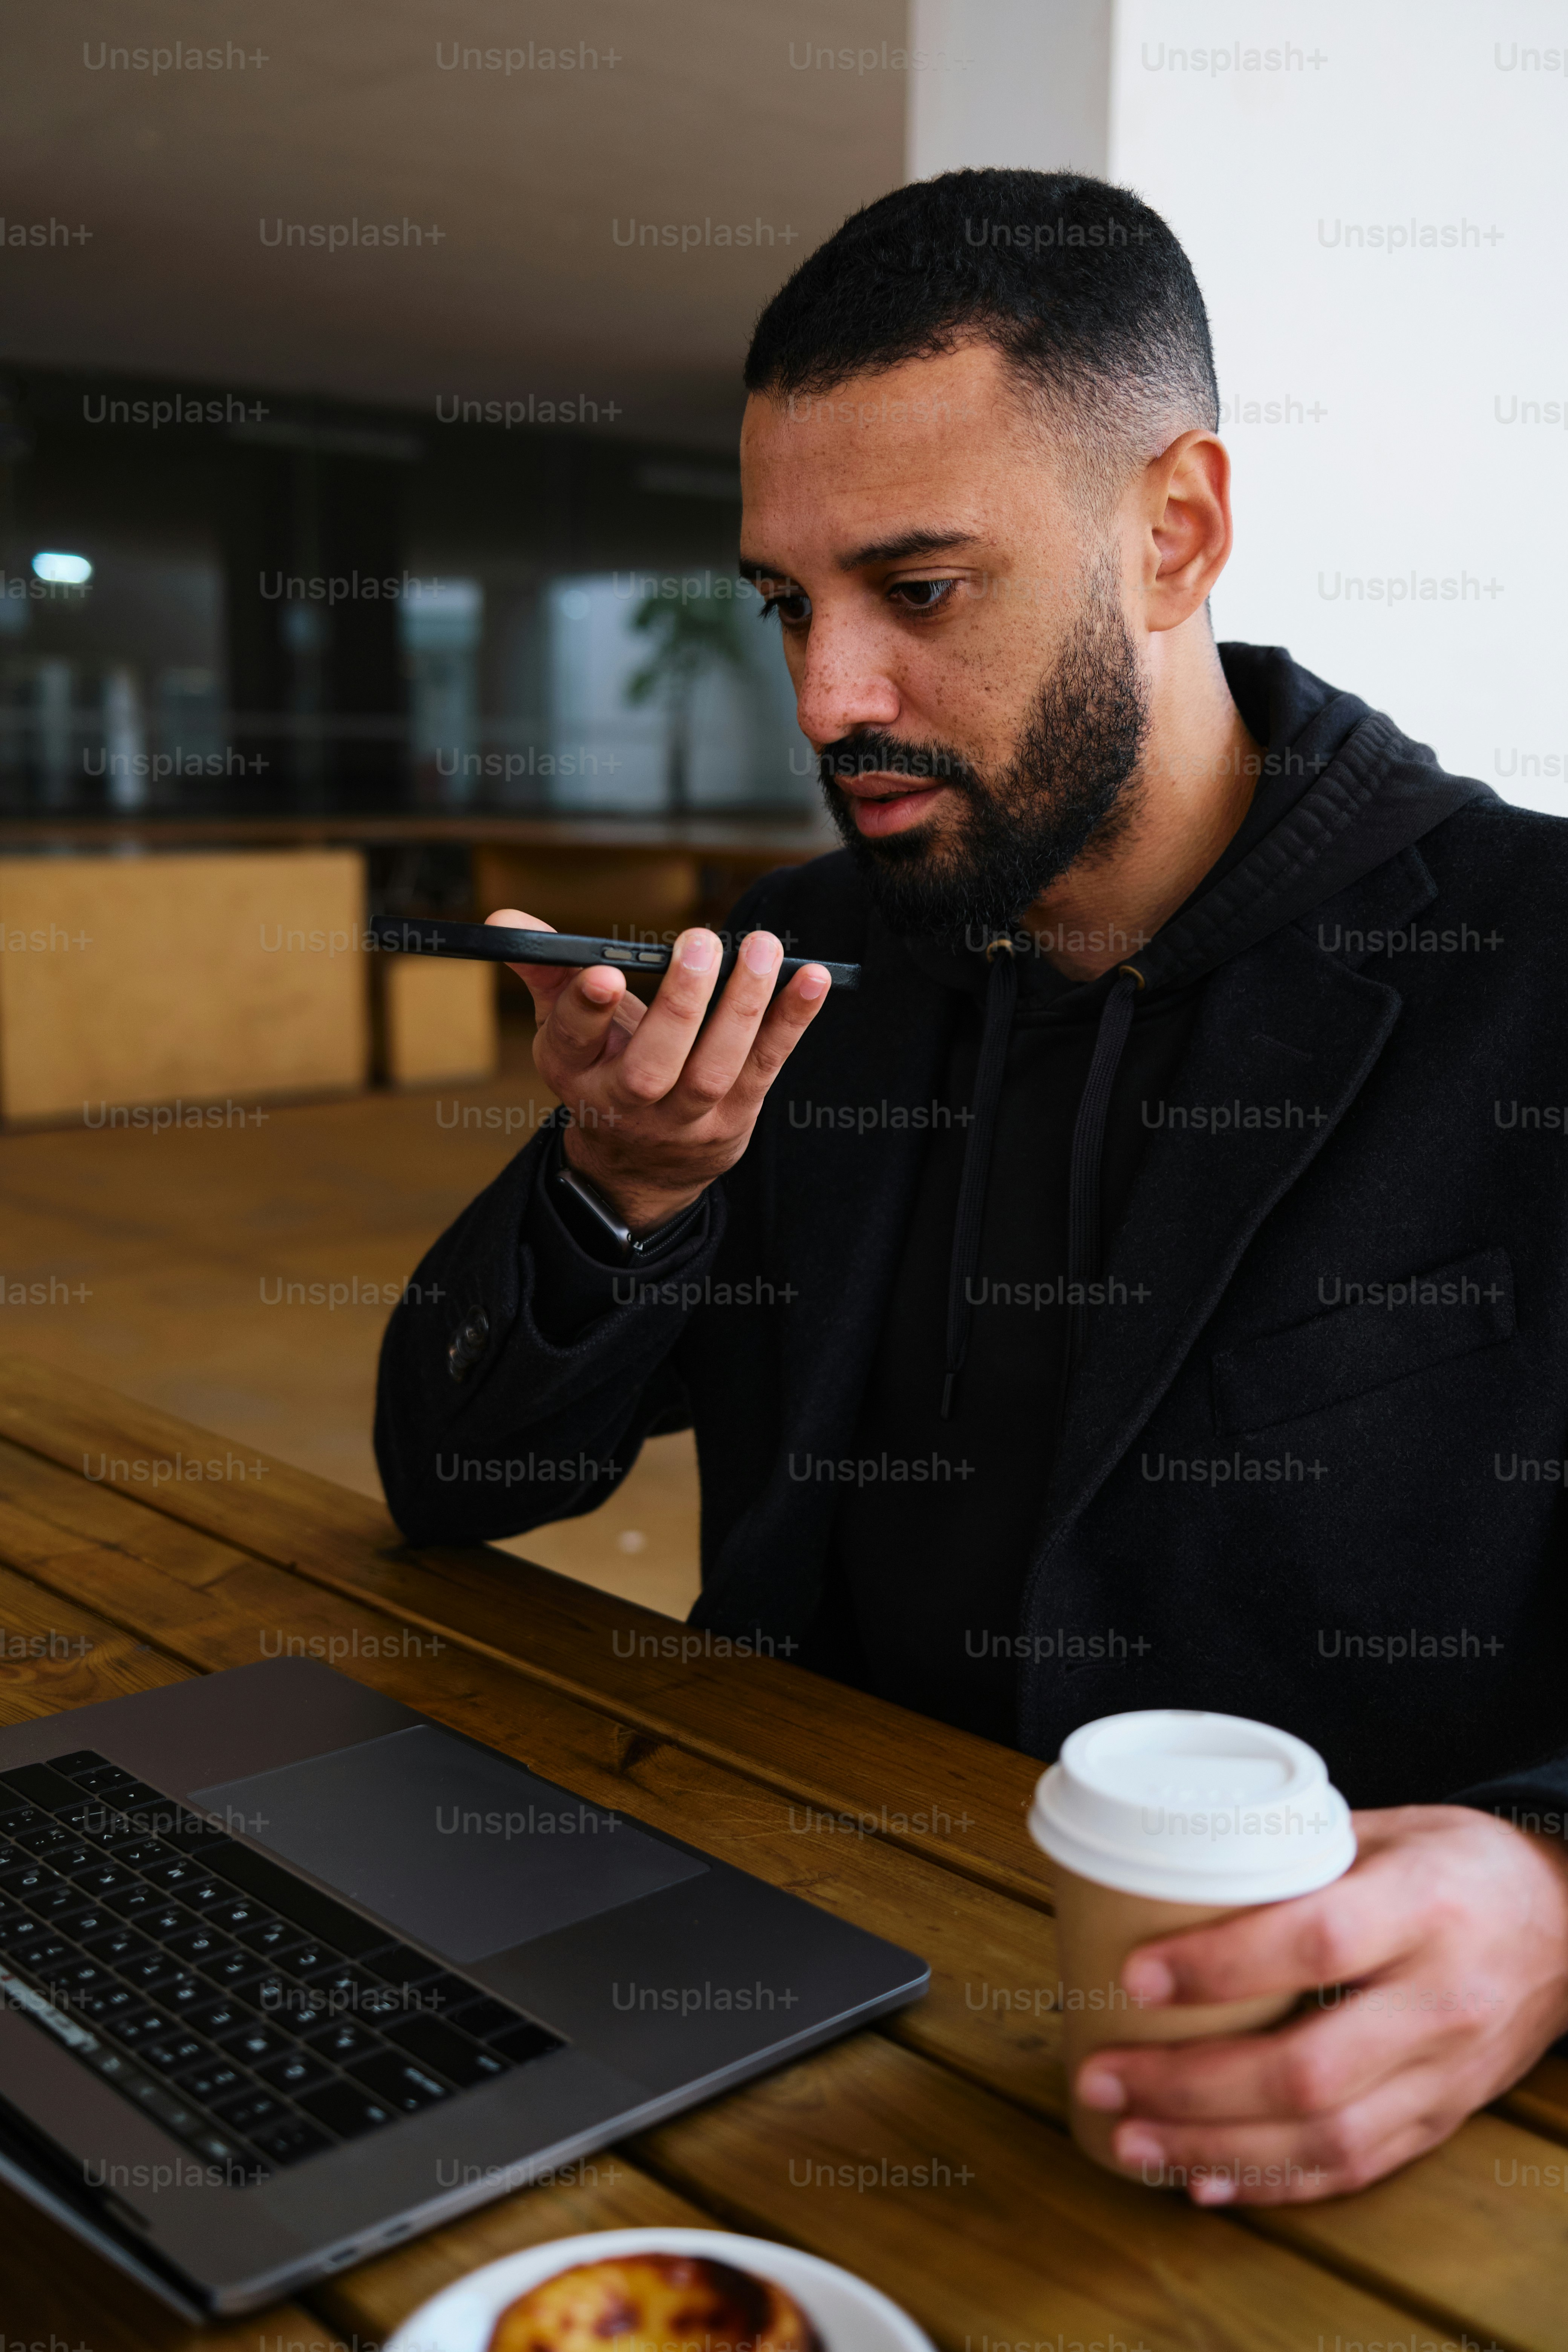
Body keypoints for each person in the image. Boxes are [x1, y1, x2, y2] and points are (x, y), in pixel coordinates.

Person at [376, 169, 1568, 2205]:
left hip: (1280, 2102)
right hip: (741, 2007)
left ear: (1176, 529)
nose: (828, 697)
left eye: (919, 591)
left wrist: (1552, 1890)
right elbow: (459, 1485)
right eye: (786, 604)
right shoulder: (804, 953)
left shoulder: (1535, 969)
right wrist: (626, 1183)